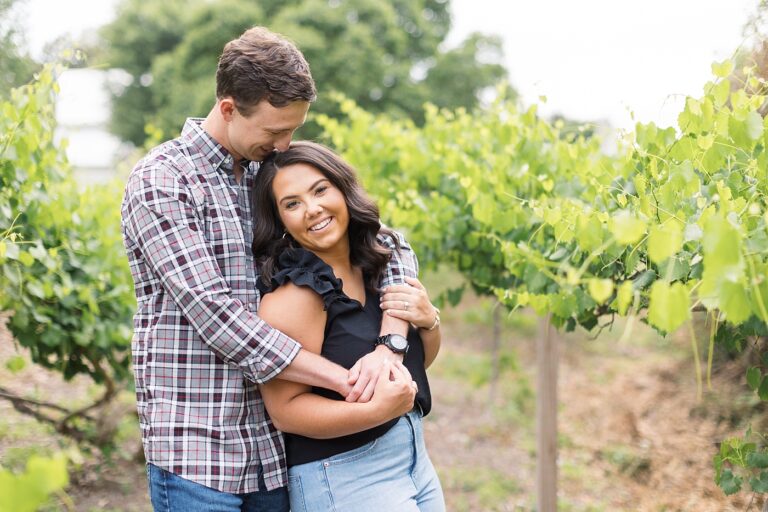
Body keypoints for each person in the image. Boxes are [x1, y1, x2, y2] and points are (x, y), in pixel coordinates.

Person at [120, 27, 425, 511]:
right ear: (227, 109)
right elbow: (219, 316)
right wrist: (352, 382)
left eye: (294, 129)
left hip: (274, 452)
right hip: (200, 451)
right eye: (275, 130)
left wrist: (389, 347)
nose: (286, 144)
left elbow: (386, 242)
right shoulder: (163, 181)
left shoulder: (272, 172)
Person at [251, 141, 445, 511]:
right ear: (280, 222)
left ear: (343, 188)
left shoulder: (377, 267)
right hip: (344, 473)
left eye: (320, 190)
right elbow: (285, 411)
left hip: (413, 458)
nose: (312, 209)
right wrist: (377, 411)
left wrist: (429, 322)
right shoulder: (296, 298)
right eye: (292, 204)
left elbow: (415, 363)